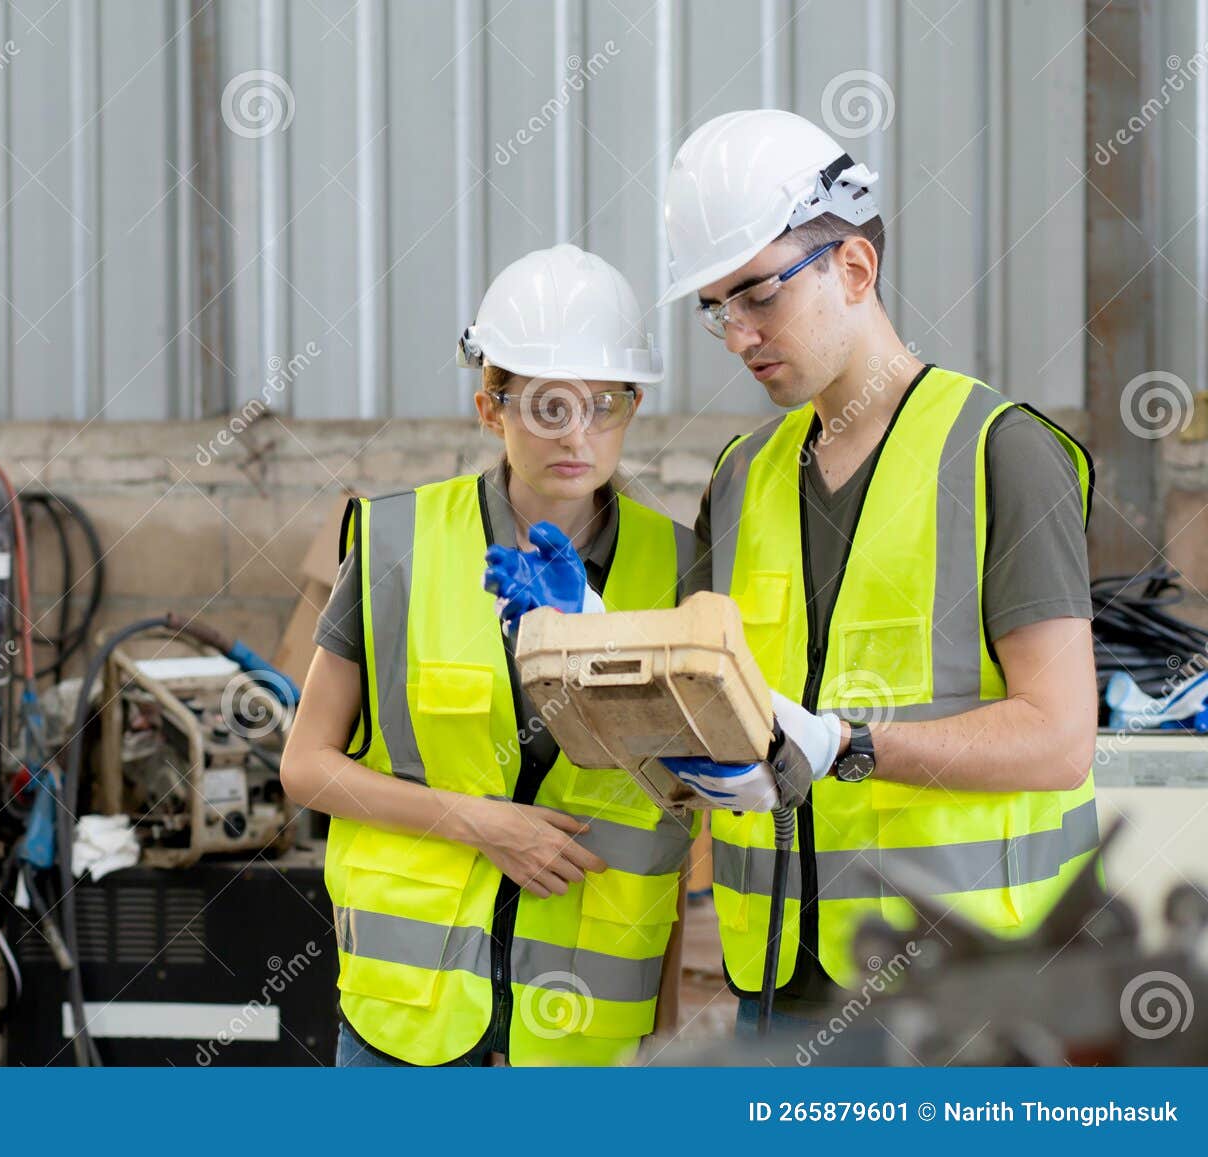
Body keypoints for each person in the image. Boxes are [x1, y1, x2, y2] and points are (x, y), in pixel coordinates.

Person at [490, 110, 1099, 1037]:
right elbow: (714, 702)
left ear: (853, 269)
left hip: (970, 995)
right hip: (780, 988)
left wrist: (846, 744)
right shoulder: (742, 477)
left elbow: (1059, 738)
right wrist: (592, 632)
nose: (736, 335)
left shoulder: (998, 454)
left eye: (758, 295)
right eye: (714, 308)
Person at [280, 243, 699, 1066]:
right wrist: (481, 823)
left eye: (604, 403)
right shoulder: (397, 544)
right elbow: (306, 766)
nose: (577, 433)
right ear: (490, 407)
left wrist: (667, 1016)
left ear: (633, 405)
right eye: (546, 405)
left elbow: (676, 814)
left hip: (589, 1027)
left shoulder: (684, 570)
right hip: (408, 1025)